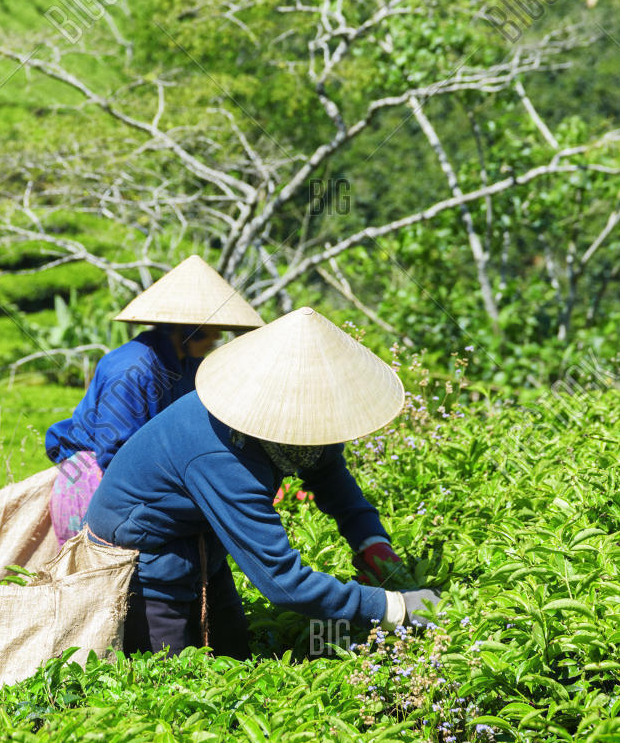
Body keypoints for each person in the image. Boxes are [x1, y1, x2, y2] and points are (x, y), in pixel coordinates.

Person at [84, 306, 439, 657]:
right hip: (143, 554)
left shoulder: (302, 436)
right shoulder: (225, 457)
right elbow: (283, 582)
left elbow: (337, 486)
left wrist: (373, 545)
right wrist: (394, 609)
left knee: (233, 649)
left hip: (201, 539)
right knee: (172, 677)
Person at [43, 256, 263, 544]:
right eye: (212, 331)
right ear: (188, 329)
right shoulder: (132, 370)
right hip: (98, 482)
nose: (216, 339)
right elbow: (116, 452)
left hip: (140, 478)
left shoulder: (188, 365)